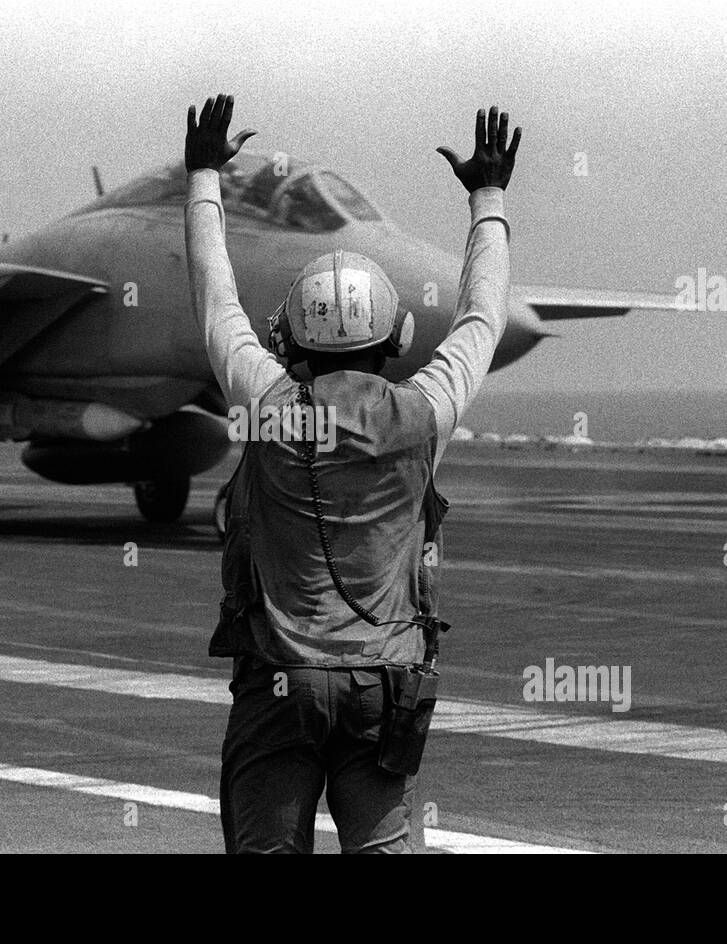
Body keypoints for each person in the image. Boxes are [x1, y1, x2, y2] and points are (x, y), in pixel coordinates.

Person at [184, 94, 519, 853]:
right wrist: (487, 197)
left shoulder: (267, 402)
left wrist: (203, 177)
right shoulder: (424, 413)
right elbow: (482, 319)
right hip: (384, 685)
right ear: (391, 336)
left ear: (295, 334)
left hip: (279, 683)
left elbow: (216, 300)